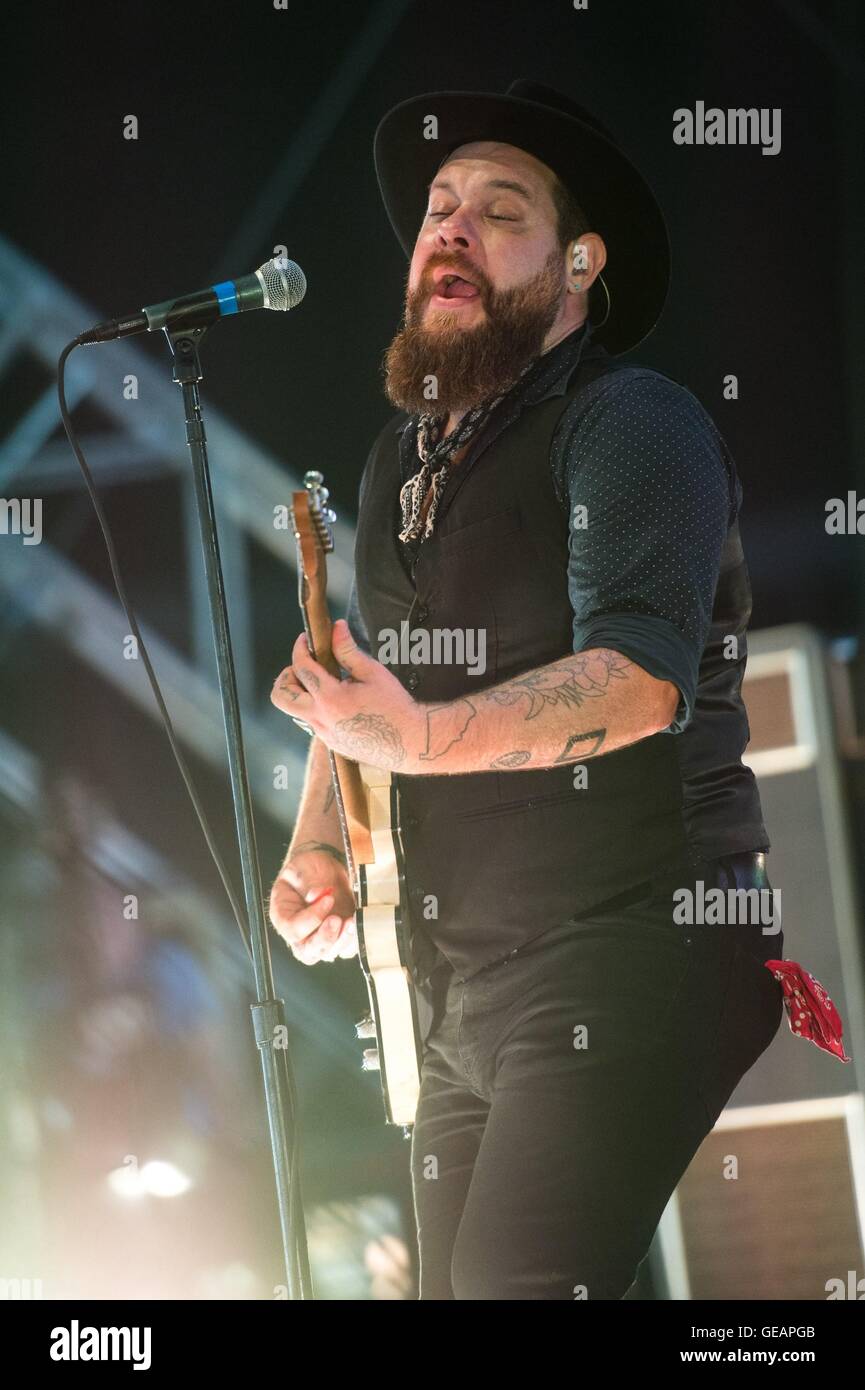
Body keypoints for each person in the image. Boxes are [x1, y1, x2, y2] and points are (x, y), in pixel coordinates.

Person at [268, 79, 786, 1300]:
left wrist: (423, 735)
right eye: (439, 208)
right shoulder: (402, 460)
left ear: (578, 262)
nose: (449, 227)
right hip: (461, 986)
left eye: (499, 213)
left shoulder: (631, 421)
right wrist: (324, 842)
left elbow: (638, 683)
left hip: (635, 939)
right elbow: (363, 700)